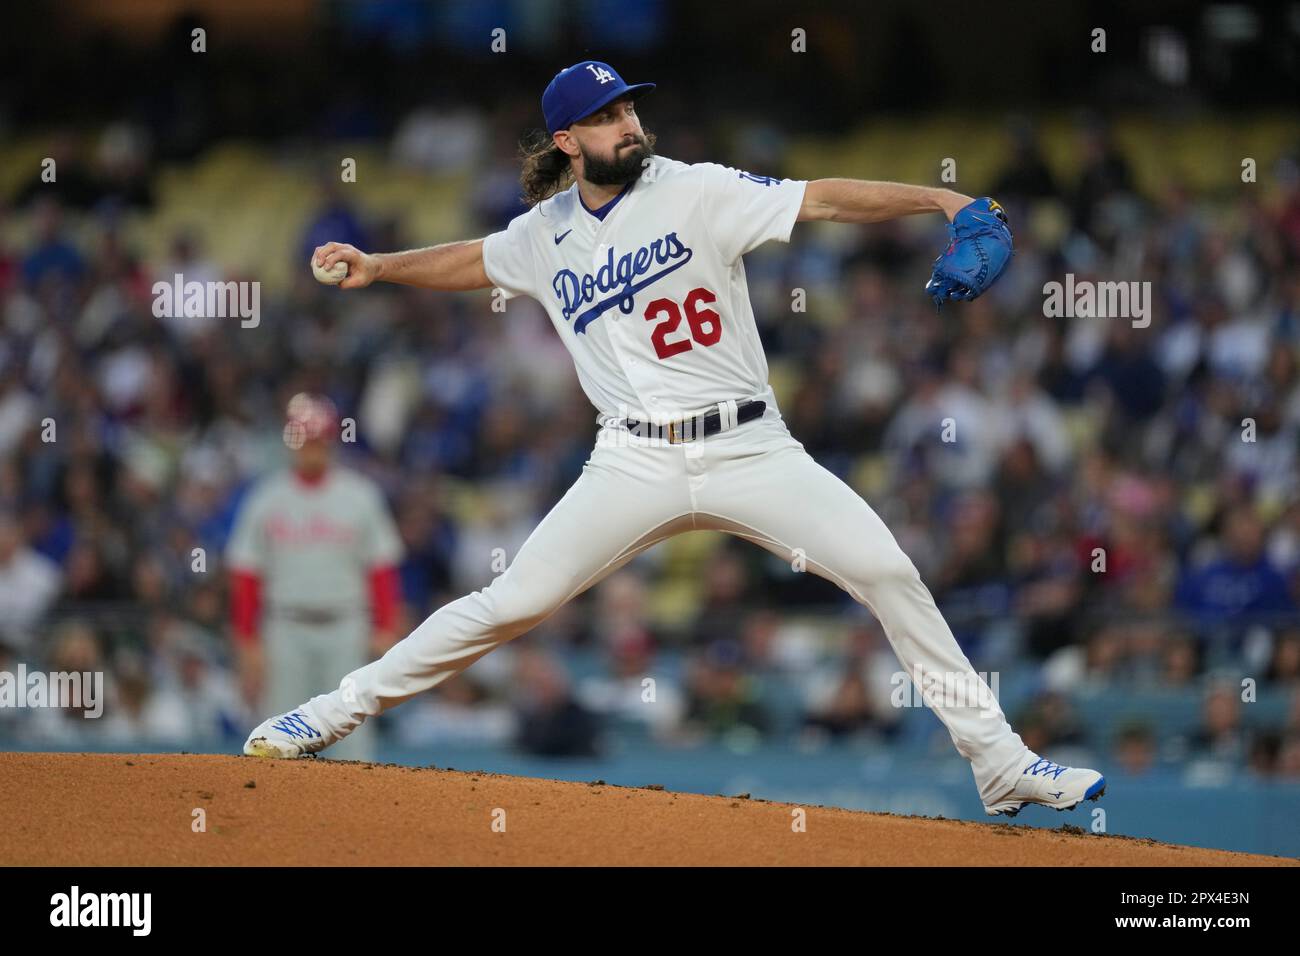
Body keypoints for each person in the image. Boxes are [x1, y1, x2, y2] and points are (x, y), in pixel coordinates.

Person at [244, 61, 1107, 817]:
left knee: (889, 572)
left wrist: (943, 198)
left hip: (751, 448)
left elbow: (825, 200)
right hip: (631, 459)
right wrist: (382, 267)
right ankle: (326, 713)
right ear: (567, 141)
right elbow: (477, 259)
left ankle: (1000, 765)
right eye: (609, 115)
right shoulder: (544, 234)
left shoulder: (696, 188)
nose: (630, 123)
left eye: (630, 108)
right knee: (509, 604)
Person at [228, 392, 404, 760]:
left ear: (331, 440)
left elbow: (382, 568)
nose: (311, 447)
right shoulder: (267, 498)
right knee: (279, 736)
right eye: (304, 439)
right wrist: (247, 642)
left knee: (353, 741)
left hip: (346, 627)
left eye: (318, 438)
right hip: (285, 629)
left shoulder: (359, 496)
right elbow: (246, 575)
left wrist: (386, 627)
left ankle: (354, 819)